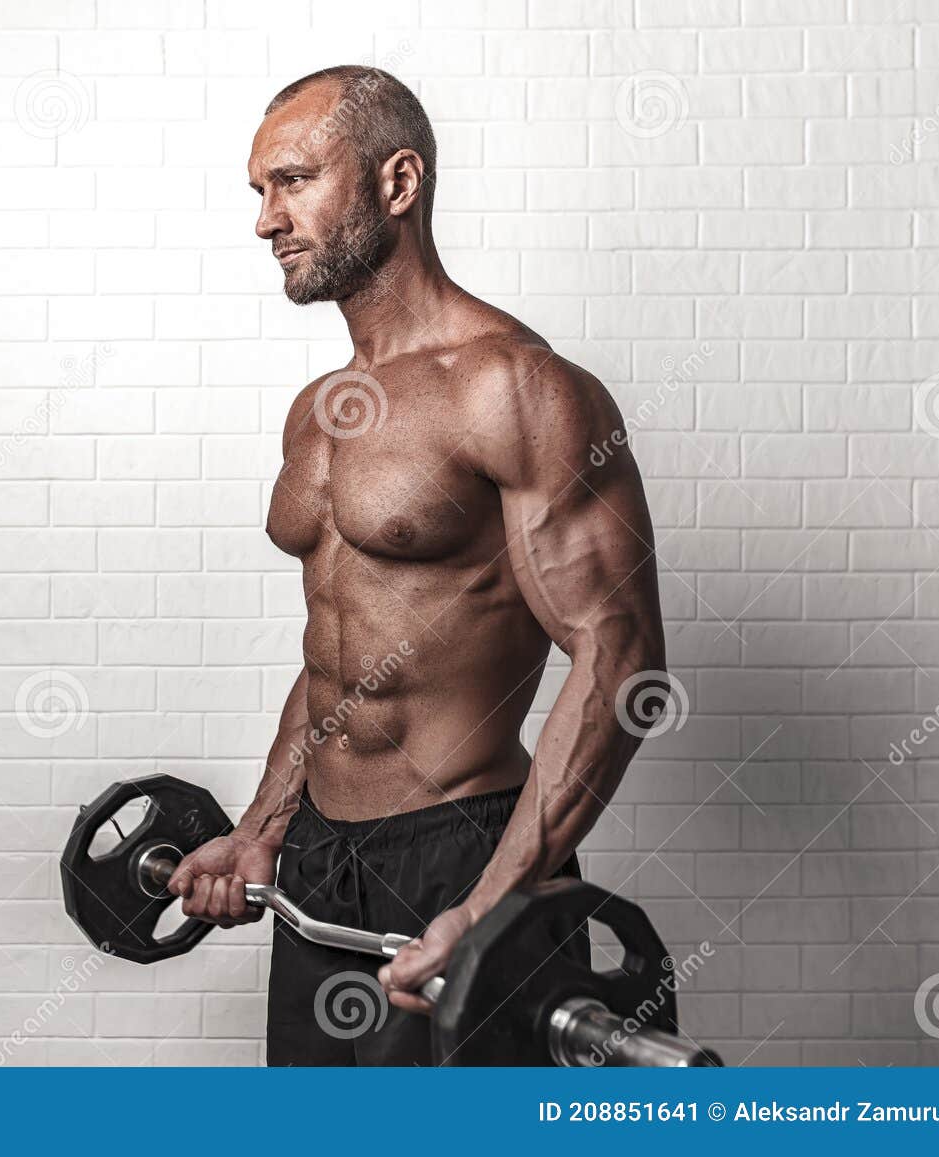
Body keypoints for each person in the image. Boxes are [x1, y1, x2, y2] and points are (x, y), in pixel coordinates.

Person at [167, 65, 667, 1066]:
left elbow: (619, 662)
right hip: (316, 859)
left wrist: (490, 909)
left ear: (398, 183)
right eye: (259, 190)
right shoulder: (317, 412)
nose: (267, 220)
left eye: (295, 180)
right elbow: (339, 657)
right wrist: (264, 826)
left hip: (466, 849)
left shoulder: (514, 386)